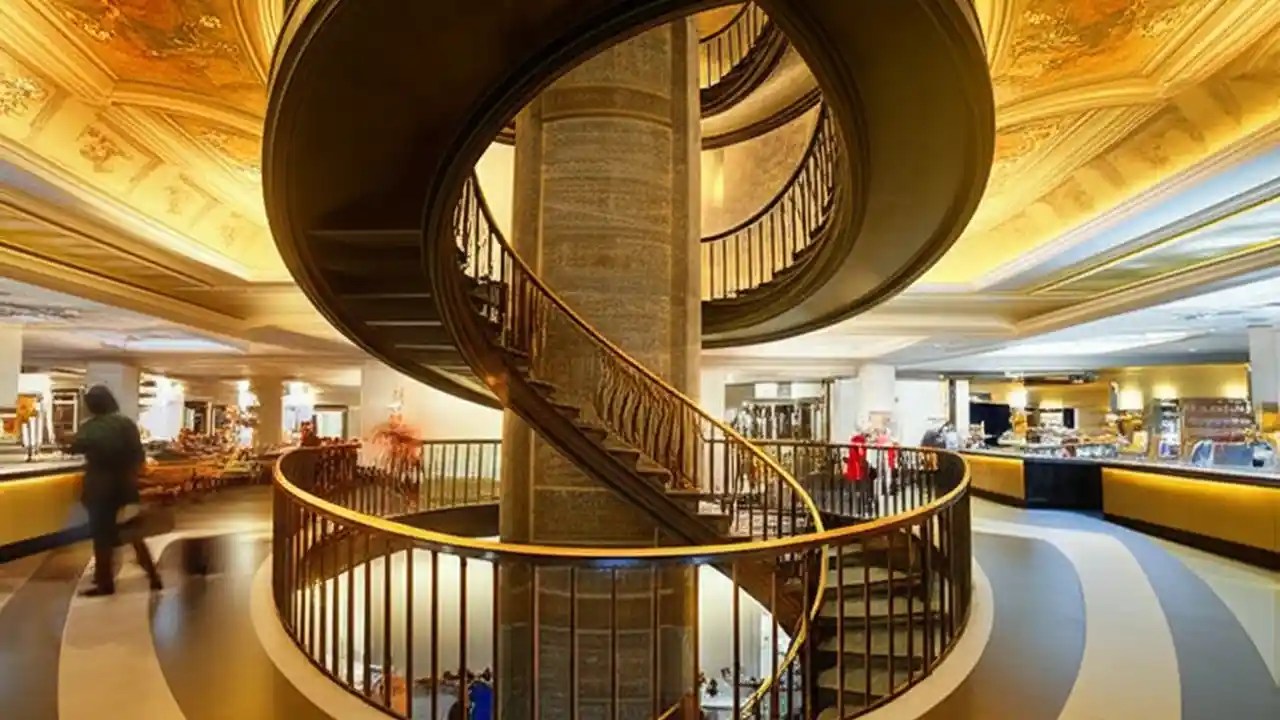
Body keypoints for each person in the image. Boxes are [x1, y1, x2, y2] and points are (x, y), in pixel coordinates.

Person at [71, 385, 162, 596]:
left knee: (102, 537)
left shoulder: (91, 427)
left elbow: (75, 446)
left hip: (99, 487)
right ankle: (153, 575)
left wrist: (65, 440)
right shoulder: (126, 424)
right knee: (133, 533)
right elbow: (139, 455)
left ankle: (105, 583)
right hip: (125, 486)